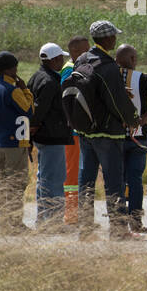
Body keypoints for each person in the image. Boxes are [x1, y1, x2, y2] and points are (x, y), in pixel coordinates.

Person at [74, 20, 139, 240]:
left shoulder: (82, 60)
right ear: (108, 39)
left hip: (86, 132)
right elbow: (116, 100)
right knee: (114, 183)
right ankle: (119, 230)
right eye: (114, 36)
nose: (115, 39)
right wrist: (132, 118)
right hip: (108, 133)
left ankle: (85, 228)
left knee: (87, 182)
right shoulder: (108, 65)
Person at [115, 43, 147, 234]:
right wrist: (146, 116)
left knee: (117, 181)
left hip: (115, 138)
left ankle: (118, 222)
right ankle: (135, 221)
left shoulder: (109, 78)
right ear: (133, 59)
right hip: (138, 137)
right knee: (135, 180)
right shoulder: (144, 78)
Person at [0, 51, 34, 235]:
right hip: (15, 144)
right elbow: (28, 110)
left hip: (0, 142)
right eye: (15, 67)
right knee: (16, 184)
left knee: (4, 183)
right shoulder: (13, 90)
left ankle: (5, 223)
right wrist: (25, 89)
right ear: (9, 68)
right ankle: (15, 224)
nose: (16, 70)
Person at [28, 43, 71, 232]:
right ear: (53, 60)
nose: (62, 60)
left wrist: (33, 128)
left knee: (43, 178)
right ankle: (53, 222)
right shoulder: (51, 82)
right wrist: (36, 125)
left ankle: (42, 218)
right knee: (54, 179)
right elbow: (41, 110)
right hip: (52, 136)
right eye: (60, 58)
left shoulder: (36, 77)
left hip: (42, 137)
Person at [60, 34, 89, 224]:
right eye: (86, 49)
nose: (90, 52)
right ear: (75, 51)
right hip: (72, 132)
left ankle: (76, 213)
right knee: (72, 174)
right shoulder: (69, 69)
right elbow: (67, 99)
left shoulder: (77, 67)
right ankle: (71, 215)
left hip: (77, 131)